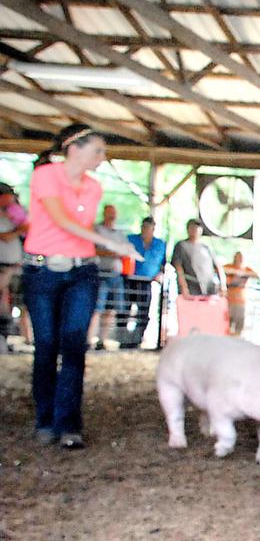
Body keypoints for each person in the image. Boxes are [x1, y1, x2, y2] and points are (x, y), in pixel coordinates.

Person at [21, 124, 142, 449]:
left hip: (82, 272)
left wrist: (103, 245)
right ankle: (45, 420)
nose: (102, 157)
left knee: (74, 346)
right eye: (98, 150)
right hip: (43, 270)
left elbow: (78, 228)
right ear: (75, 148)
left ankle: (69, 424)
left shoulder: (93, 187)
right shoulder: (46, 175)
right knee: (46, 346)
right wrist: (111, 244)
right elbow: (61, 220)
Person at [120, 216, 166, 349]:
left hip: (147, 281)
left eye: (148, 227)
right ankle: (123, 338)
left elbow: (163, 263)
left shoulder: (160, 244)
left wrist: (160, 274)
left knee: (143, 313)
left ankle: (136, 339)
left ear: (153, 229)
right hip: (130, 279)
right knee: (125, 310)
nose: (145, 230)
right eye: (144, 227)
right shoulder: (131, 240)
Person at [89, 204, 126, 350]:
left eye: (114, 213)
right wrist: (111, 252)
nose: (112, 215)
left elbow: (126, 250)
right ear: (104, 214)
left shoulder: (120, 233)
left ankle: (102, 340)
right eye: (109, 212)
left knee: (110, 309)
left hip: (116, 274)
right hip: (100, 273)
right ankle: (89, 339)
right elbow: (93, 249)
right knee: (97, 308)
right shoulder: (97, 230)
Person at [0, 182, 29, 353]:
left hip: (16, 267)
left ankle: (15, 339)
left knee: (18, 304)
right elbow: (5, 237)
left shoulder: (14, 216)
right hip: (2, 268)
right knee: (3, 305)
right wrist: (18, 230)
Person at [171, 218, 222, 296]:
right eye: (193, 228)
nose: (196, 230)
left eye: (198, 228)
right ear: (188, 229)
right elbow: (178, 268)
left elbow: (217, 267)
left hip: (209, 287)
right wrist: (183, 287)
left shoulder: (206, 247)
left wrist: (222, 284)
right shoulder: (181, 245)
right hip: (191, 286)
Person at [222, 251, 258, 337]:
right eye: (238, 257)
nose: (239, 259)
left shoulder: (246, 269)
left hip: (241, 301)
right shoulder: (229, 267)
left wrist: (242, 273)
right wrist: (234, 272)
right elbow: (219, 269)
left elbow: (256, 275)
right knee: (228, 322)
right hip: (229, 299)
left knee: (239, 323)